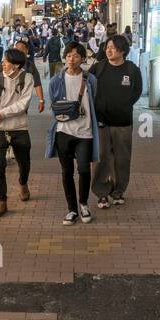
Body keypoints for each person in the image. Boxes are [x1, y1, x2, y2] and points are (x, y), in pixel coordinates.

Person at [46, 42, 100, 226]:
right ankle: (71, 209)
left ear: (83, 58)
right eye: (69, 55)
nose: (71, 59)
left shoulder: (90, 79)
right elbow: (53, 104)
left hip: (84, 131)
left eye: (76, 55)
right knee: (66, 171)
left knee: (84, 170)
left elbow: (95, 101)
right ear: (65, 57)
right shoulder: (55, 80)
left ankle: (83, 204)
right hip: (63, 131)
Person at [92, 35, 144, 208]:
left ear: (122, 51)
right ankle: (102, 193)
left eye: (113, 47)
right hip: (101, 121)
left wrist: (124, 105)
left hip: (123, 121)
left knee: (122, 158)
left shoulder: (131, 69)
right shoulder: (98, 68)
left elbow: (137, 91)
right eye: (107, 47)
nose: (109, 50)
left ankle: (118, 191)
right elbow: (87, 89)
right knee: (101, 157)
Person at [0, 47, 35, 216]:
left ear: (17, 65)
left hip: (19, 128)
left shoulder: (27, 78)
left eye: (6, 61)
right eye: (4, 61)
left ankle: (23, 182)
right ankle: (1, 201)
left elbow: (24, 104)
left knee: (24, 163)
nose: (3, 64)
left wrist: (3, 112)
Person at [13, 36, 45, 113]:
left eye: (22, 49)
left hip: (23, 99)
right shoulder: (7, 63)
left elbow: (37, 84)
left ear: (27, 51)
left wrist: (41, 100)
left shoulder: (30, 66)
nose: (19, 51)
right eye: (17, 49)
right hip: (7, 98)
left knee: (21, 120)